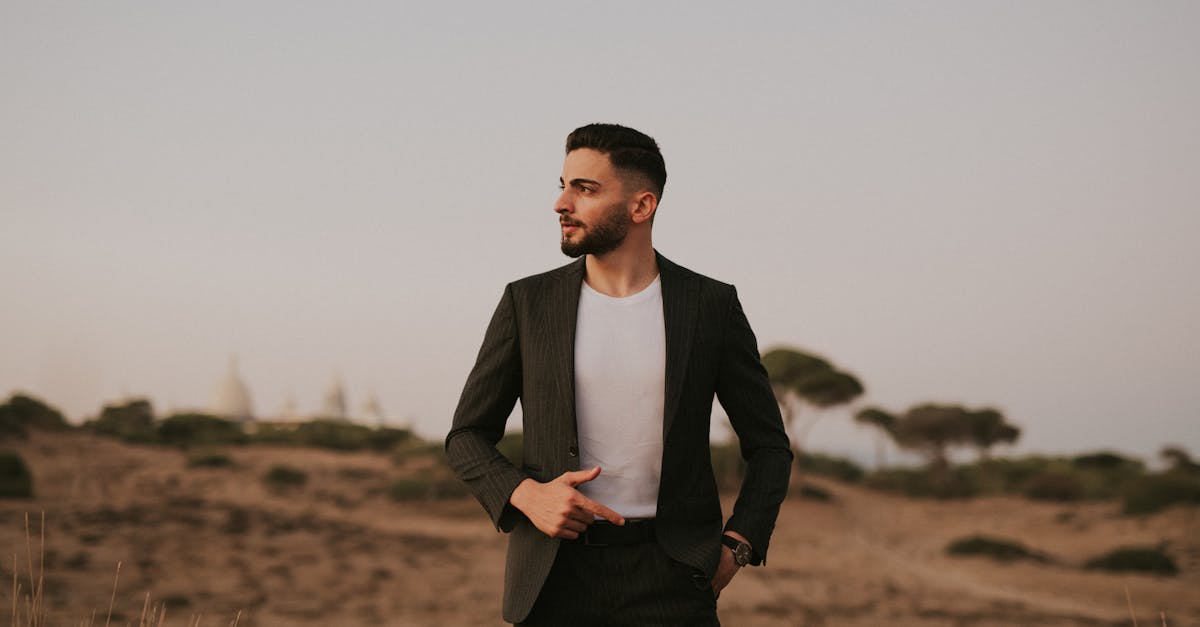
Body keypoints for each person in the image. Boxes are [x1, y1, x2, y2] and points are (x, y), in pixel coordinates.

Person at [445, 123, 792, 626]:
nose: (561, 203)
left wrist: (737, 546)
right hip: (552, 576)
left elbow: (769, 446)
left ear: (641, 206)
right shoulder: (528, 303)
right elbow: (466, 436)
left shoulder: (710, 306)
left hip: (673, 577)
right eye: (562, 185)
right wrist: (527, 496)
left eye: (584, 189)